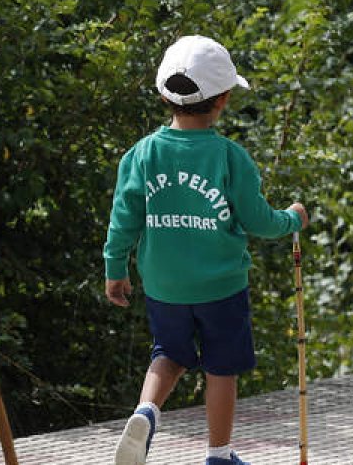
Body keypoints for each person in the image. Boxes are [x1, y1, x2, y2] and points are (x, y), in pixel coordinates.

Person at [103, 35, 309, 465]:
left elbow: (124, 218)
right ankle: (218, 455)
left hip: (164, 283)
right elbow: (258, 221)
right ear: (224, 99)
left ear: (163, 94)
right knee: (221, 366)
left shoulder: (141, 155)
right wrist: (293, 218)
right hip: (221, 285)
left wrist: (115, 267)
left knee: (168, 354)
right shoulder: (230, 157)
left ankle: (145, 412)